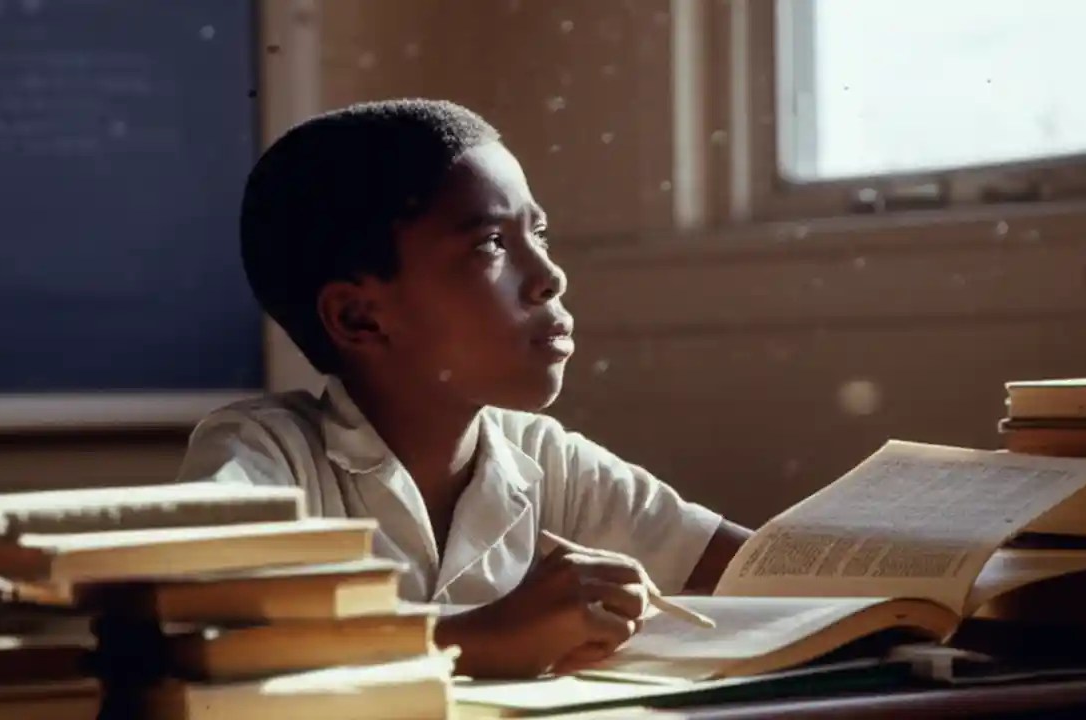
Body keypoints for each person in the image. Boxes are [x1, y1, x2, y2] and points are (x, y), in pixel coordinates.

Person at [177, 98, 752, 677]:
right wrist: (477, 641)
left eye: (540, 234)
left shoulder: (547, 461)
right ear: (359, 318)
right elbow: (205, 647)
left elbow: (762, 572)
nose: (550, 277)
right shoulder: (266, 458)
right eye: (491, 246)